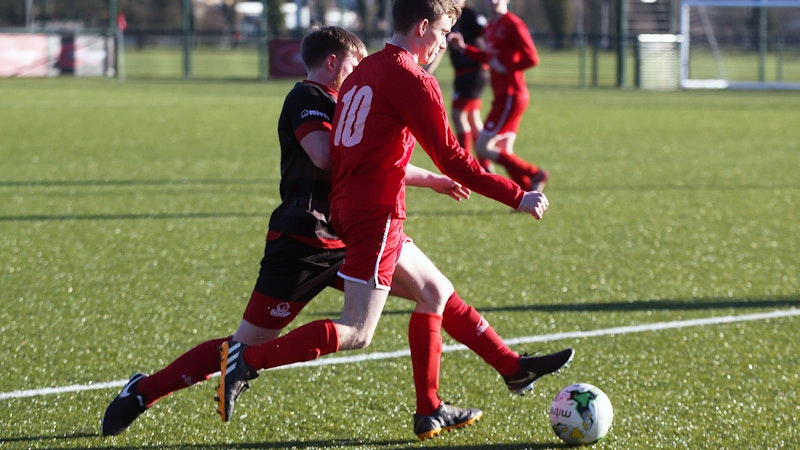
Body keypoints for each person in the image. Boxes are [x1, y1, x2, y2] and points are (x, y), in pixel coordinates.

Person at [216, 0, 574, 441]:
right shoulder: (410, 79)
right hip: (376, 212)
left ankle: (481, 383)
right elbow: (454, 158)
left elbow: (362, 142)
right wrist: (516, 195)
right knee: (358, 331)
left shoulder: (364, 71)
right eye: (442, 31)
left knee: (434, 291)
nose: (445, 41)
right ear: (423, 27)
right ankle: (248, 361)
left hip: (349, 206)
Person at [101, 26, 462, 437]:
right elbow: (325, 156)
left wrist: (432, 179)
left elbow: (372, 161)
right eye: (355, 63)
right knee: (241, 345)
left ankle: (460, 391)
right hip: (303, 241)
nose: (360, 71)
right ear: (332, 62)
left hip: (352, 235)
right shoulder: (306, 97)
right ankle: (145, 390)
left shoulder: (347, 103)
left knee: (434, 292)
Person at [449, 0, 548, 191]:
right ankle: (528, 193)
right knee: (504, 151)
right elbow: (490, 58)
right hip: (503, 96)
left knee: (483, 147)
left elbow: (532, 58)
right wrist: (464, 48)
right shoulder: (492, 26)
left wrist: (507, 68)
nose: (493, 1)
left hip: (511, 95)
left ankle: (535, 173)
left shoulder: (513, 23)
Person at [447, 0, 493, 173]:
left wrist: (489, 55)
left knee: (458, 115)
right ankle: (485, 163)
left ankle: (466, 166)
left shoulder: (471, 15)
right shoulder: (449, 16)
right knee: (473, 117)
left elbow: (489, 33)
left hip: (474, 71)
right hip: (463, 73)